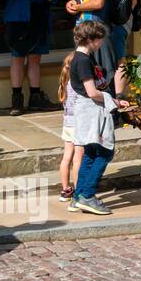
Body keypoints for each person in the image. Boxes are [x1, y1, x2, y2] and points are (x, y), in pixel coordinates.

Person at [65, 0, 127, 97]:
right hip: (93, 29)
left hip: (97, 29)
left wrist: (77, 7)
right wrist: (73, 5)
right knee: (97, 71)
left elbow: (98, 2)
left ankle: (111, 112)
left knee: (102, 73)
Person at [68, 19, 117, 215]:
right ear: (91, 39)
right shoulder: (82, 61)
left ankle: (78, 196)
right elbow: (92, 92)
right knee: (105, 151)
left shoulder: (84, 58)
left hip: (90, 111)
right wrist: (111, 100)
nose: (101, 43)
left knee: (90, 153)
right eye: (100, 40)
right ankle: (88, 195)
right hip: (91, 111)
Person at [56, 52, 80, 203]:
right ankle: (78, 190)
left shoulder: (65, 83)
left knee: (66, 157)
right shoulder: (77, 85)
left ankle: (65, 189)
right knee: (78, 158)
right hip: (78, 124)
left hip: (67, 124)